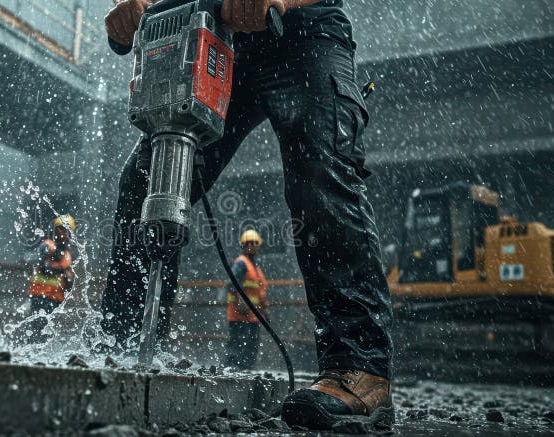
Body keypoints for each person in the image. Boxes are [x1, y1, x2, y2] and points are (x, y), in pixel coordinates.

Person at [100, 0, 394, 429]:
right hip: (222, 37)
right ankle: (124, 345)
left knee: (320, 170)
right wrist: (133, 7)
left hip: (303, 29)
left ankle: (360, 366)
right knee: (146, 180)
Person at [225, 230, 269, 370]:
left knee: (251, 347)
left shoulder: (254, 267)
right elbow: (231, 284)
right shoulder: (241, 263)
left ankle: (246, 371)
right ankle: (231, 370)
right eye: (248, 243)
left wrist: (264, 311)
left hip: (253, 316)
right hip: (240, 314)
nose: (251, 246)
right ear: (243, 246)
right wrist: (240, 301)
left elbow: (259, 292)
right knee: (237, 345)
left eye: (254, 243)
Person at [28, 214, 75, 342]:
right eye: (60, 229)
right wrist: (62, 270)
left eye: (66, 230)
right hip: (40, 294)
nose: (62, 233)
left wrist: (68, 277)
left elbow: (69, 281)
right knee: (36, 328)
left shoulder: (67, 254)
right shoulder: (48, 245)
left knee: (47, 332)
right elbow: (44, 266)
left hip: (55, 298)